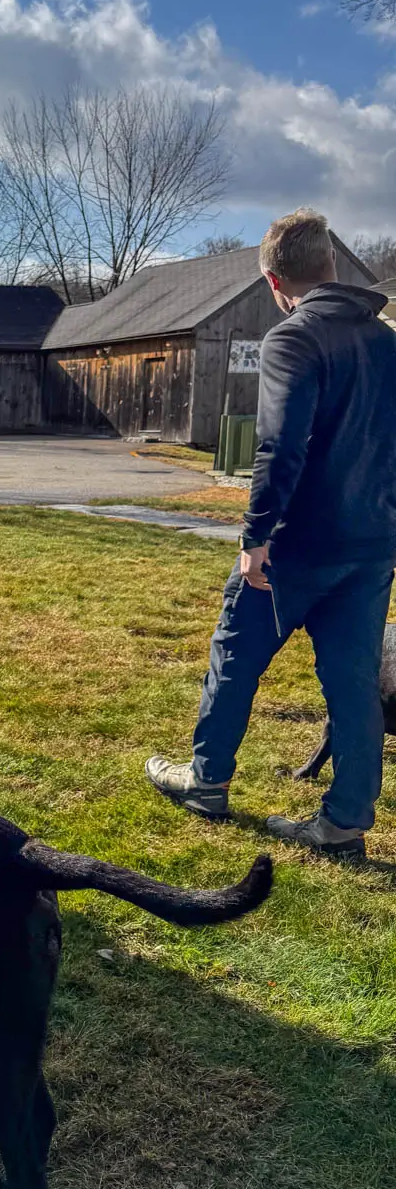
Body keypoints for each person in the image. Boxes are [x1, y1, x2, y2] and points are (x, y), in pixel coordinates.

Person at [146, 209, 396, 856]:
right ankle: (344, 825)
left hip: (297, 546)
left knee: (235, 659)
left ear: (273, 282)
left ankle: (207, 783)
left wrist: (256, 537)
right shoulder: (385, 342)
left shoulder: (293, 340)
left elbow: (281, 445)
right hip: (370, 543)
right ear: (331, 268)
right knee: (353, 683)